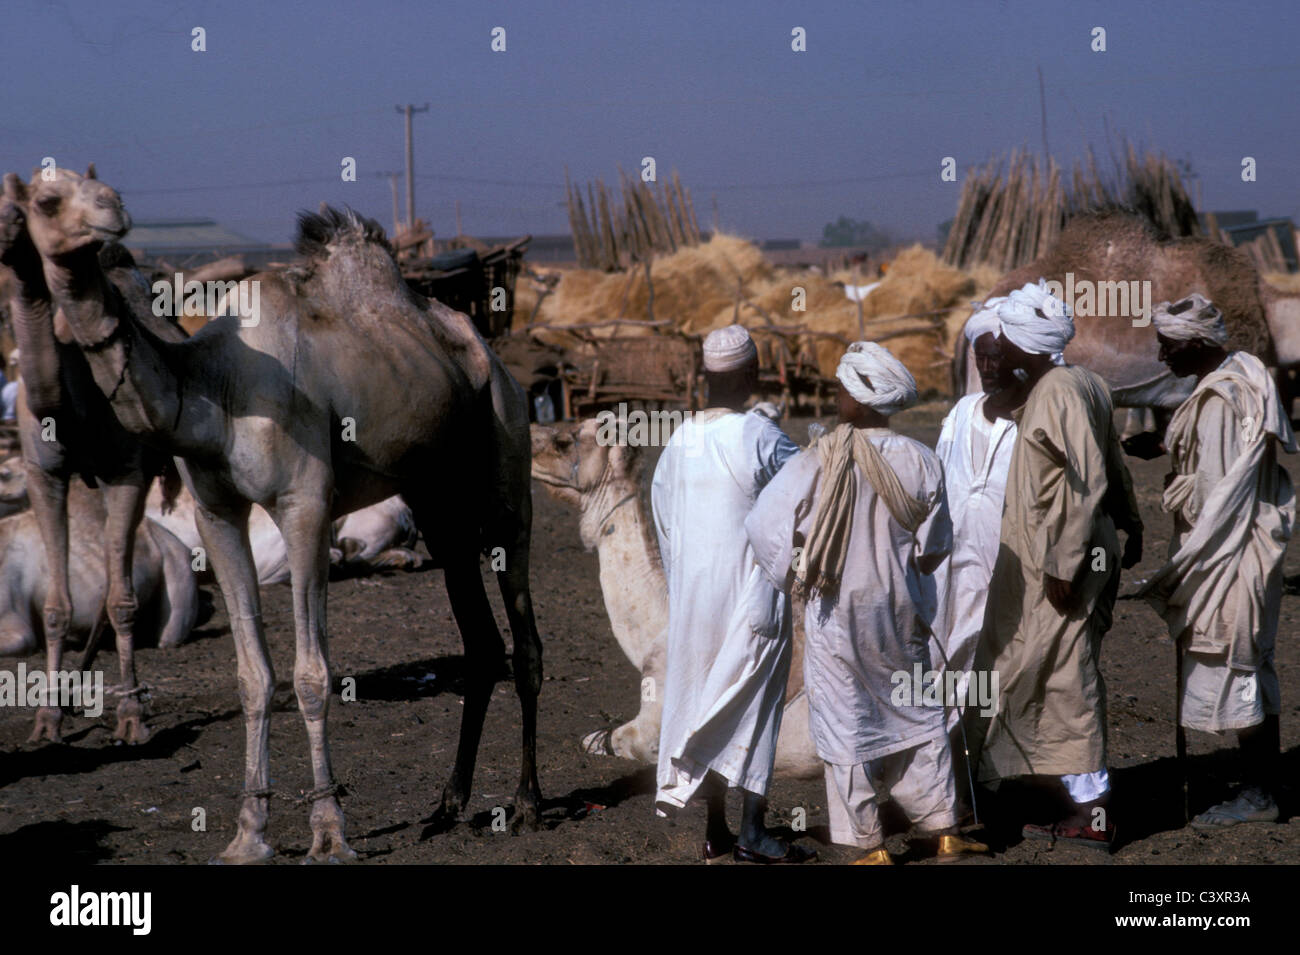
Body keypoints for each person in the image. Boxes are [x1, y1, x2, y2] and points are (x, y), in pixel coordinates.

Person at [748, 341, 988, 865]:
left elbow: (765, 526)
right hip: (901, 614)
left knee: (845, 724)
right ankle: (944, 828)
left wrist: (794, 574)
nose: (835, 397)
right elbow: (937, 548)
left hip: (836, 615)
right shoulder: (922, 460)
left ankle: (866, 845)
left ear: (858, 399)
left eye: (840, 389)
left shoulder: (817, 460)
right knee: (916, 713)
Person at [965, 279, 1143, 851]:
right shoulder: (1079, 382)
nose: (997, 352)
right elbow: (1111, 460)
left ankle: (1091, 811)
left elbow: (1087, 478)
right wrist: (1132, 521)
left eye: (1005, 342)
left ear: (1023, 345)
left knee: (1065, 678)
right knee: (1024, 666)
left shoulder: (1060, 391)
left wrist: (1065, 565)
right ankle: (1023, 784)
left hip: (1059, 562)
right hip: (1055, 556)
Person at [652, 324, 814, 864]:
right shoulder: (761, 436)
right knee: (756, 708)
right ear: (751, 375)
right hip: (752, 599)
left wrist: (686, 581)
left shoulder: (679, 439)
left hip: (695, 601)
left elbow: (664, 524)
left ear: (705, 379)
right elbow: (808, 495)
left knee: (706, 701)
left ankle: (714, 830)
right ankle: (753, 832)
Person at [1136, 294, 1296, 829]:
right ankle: (1262, 783)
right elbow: (1225, 457)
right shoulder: (1243, 375)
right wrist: (1167, 445)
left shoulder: (1219, 400)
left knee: (1235, 660)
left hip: (1229, 549)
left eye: (1169, 345)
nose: (1162, 357)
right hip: (1243, 540)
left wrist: (1175, 495)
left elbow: (1214, 495)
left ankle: (1258, 794)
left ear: (1198, 343)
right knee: (1245, 660)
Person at [932, 299, 1026, 735]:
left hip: (1006, 565)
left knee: (995, 663)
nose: (988, 366)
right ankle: (950, 760)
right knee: (946, 658)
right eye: (981, 356)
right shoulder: (960, 413)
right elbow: (937, 480)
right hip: (952, 565)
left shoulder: (1032, 422)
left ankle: (981, 762)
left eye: (998, 357)